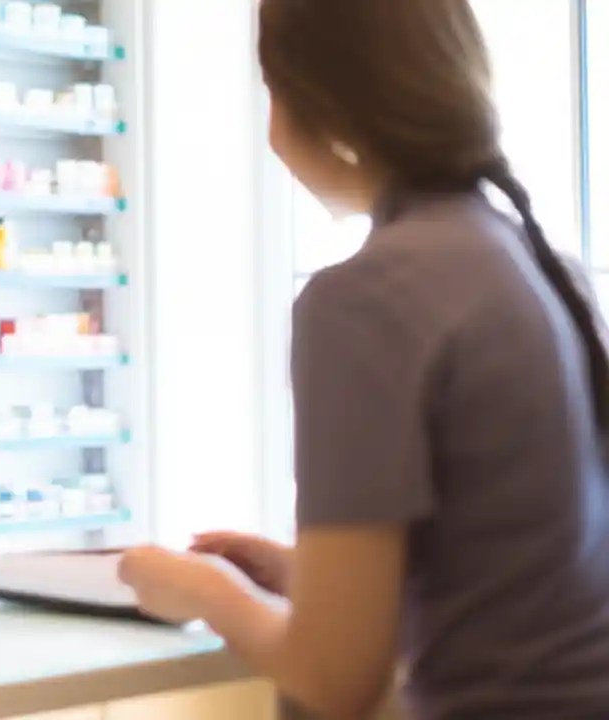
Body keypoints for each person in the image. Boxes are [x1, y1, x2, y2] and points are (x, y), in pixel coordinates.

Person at [118, 2, 609, 718]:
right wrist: (303, 574)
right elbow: (508, 577)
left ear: (312, 100)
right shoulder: (539, 267)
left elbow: (335, 680)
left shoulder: (364, 300)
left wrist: (197, 589)